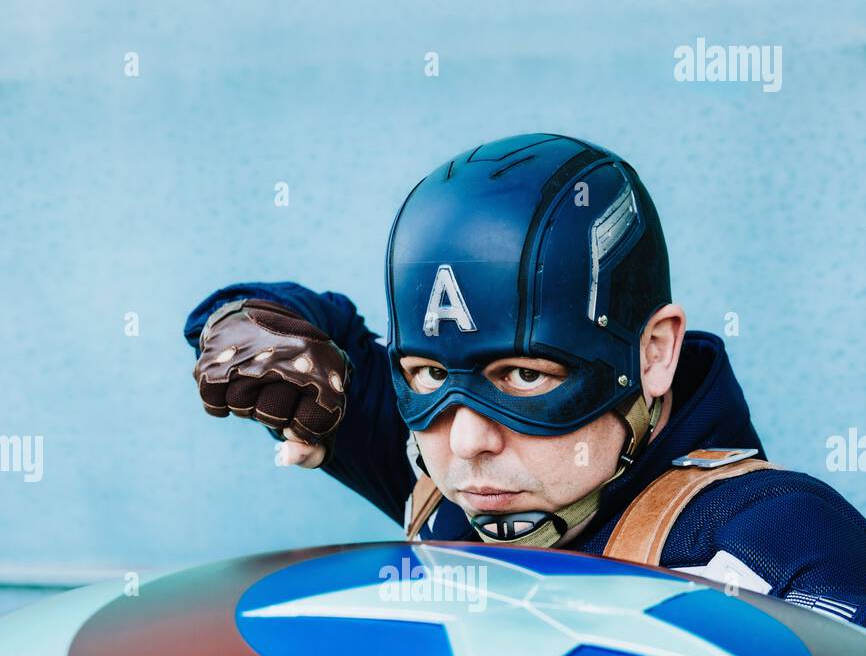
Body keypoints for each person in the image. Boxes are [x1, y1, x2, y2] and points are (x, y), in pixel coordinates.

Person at [184, 133, 866, 624]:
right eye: (427, 373)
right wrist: (249, 329)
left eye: (521, 375)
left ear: (653, 354)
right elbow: (306, 322)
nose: (470, 442)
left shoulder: (782, 545)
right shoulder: (439, 474)